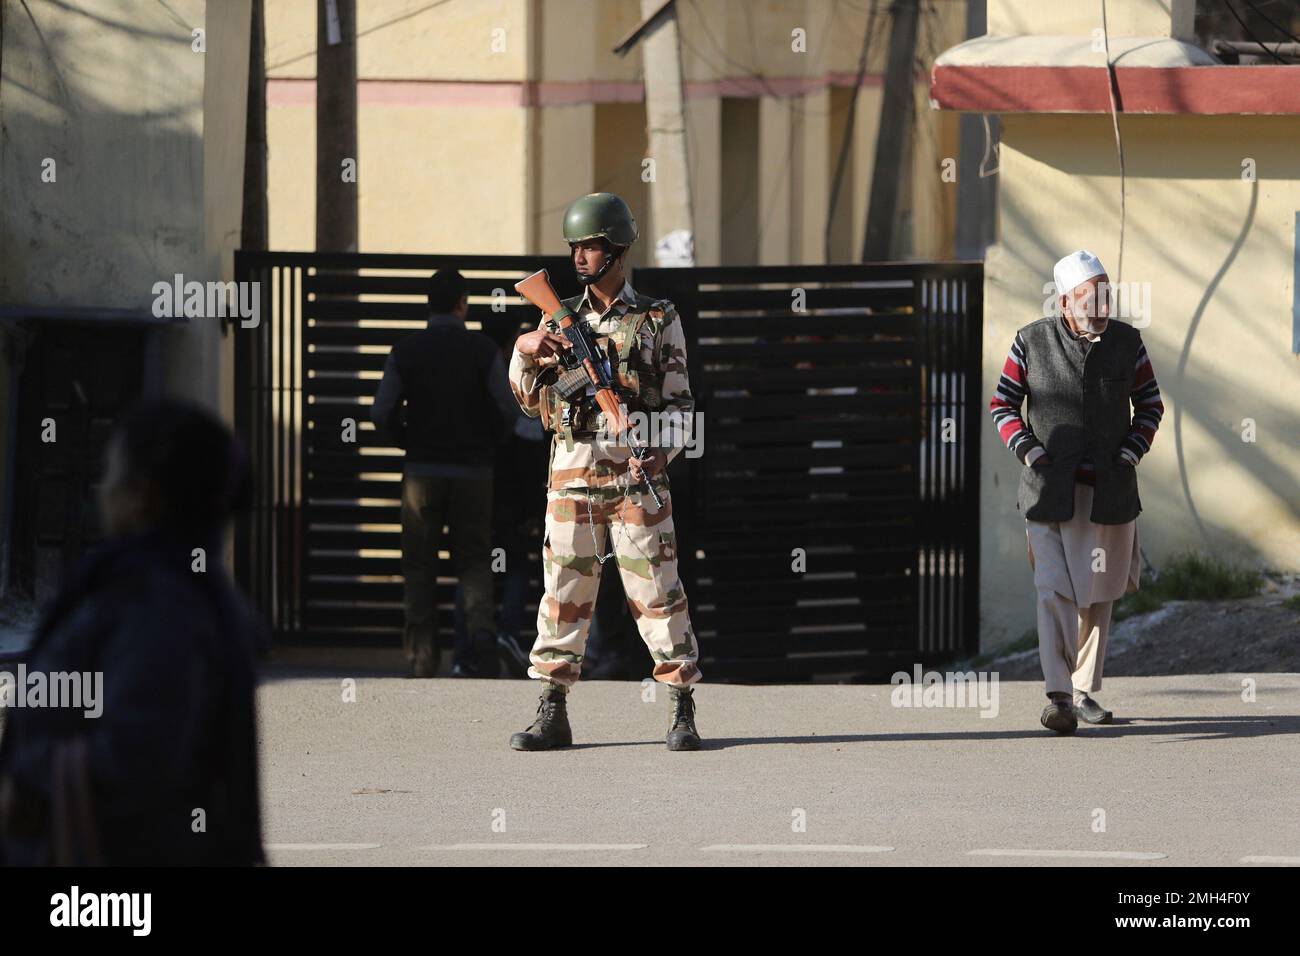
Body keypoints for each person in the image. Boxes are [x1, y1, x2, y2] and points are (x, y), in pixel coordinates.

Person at [0, 398, 265, 865]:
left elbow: (137, 756)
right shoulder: (165, 584)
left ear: (144, 495)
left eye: (112, 472)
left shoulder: (160, 604)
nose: (103, 489)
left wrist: (27, 781)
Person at [506, 192, 702, 751]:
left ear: (616, 248)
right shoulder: (556, 316)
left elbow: (682, 405)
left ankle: (681, 707)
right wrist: (525, 349)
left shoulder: (657, 318)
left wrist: (661, 451)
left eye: (589, 246)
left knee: (660, 594)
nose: (579, 257)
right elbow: (526, 401)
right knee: (563, 593)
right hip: (572, 476)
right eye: (574, 247)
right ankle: (552, 708)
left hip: (636, 478)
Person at [989, 250, 1164, 734]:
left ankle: (1085, 690)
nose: (1103, 305)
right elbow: (1003, 402)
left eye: (1108, 294)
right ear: (1066, 300)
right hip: (1047, 494)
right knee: (1053, 592)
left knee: (1097, 596)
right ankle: (1059, 697)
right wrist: (1029, 452)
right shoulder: (1030, 341)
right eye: (1092, 296)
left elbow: (1150, 405)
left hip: (1107, 494)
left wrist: (1131, 451)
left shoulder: (1129, 343)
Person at [370, 269, 522, 678]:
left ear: (428, 303)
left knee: (419, 565)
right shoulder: (482, 349)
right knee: (474, 561)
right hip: (474, 472)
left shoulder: (406, 350)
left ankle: (421, 660)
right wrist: (488, 443)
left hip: (421, 471)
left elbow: (381, 412)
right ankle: (482, 646)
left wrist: (407, 441)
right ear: (463, 304)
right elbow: (508, 409)